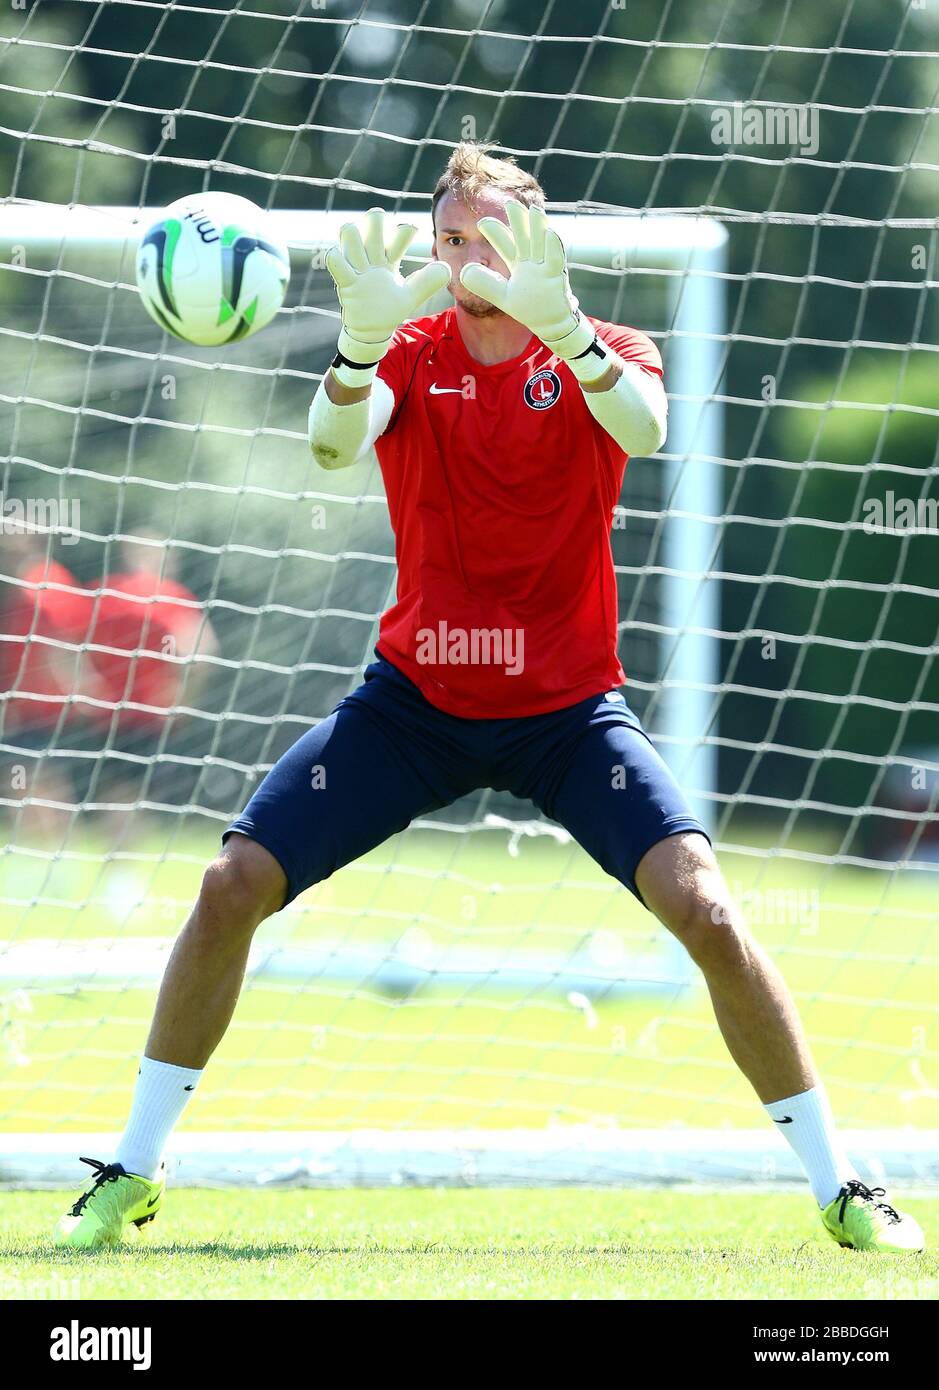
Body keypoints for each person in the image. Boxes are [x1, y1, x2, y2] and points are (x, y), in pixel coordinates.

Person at [54, 143, 923, 1253]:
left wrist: (568, 336)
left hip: (567, 715)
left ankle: (842, 1187)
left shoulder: (610, 349)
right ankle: (131, 1170)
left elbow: (646, 430)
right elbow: (332, 446)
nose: (462, 254)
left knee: (703, 904)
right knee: (233, 882)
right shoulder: (406, 352)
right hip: (412, 707)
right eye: (448, 236)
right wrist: (358, 345)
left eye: (484, 234)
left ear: (535, 241)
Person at [83, 533, 219, 824]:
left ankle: (119, 861)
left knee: (116, 790)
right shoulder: (169, 596)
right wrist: (184, 699)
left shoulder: (103, 593)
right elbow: (201, 653)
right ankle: (125, 863)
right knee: (137, 794)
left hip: (110, 712)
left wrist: (86, 687)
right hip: (153, 712)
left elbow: (70, 646)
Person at [0, 529, 98, 838]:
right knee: (37, 780)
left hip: (42, 707)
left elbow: (61, 646)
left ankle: (49, 850)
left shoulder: (40, 588)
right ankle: (49, 852)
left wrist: (79, 689)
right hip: (29, 704)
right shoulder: (34, 583)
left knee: (31, 780)